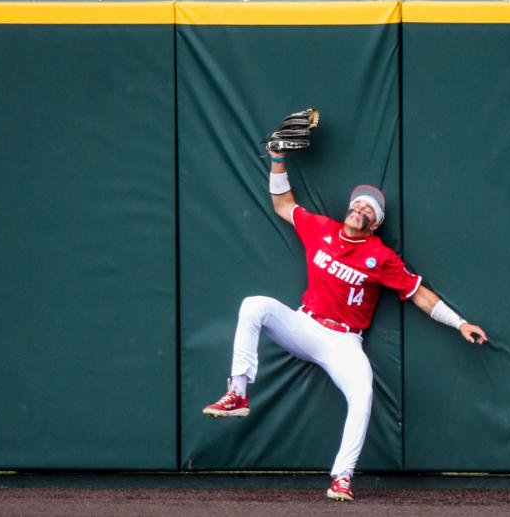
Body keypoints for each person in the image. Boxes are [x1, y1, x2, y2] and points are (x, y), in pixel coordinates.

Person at [203, 150, 487, 502]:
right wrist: (277, 158)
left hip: (344, 342)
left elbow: (418, 294)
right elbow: (282, 204)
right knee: (254, 305)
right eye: (356, 204)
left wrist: (459, 323)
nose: (359, 209)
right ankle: (239, 392)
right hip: (304, 326)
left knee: (363, 393)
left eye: (368, 209)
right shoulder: (321, 228)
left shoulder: (380, 256)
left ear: (375, 222)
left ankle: (342, 477)